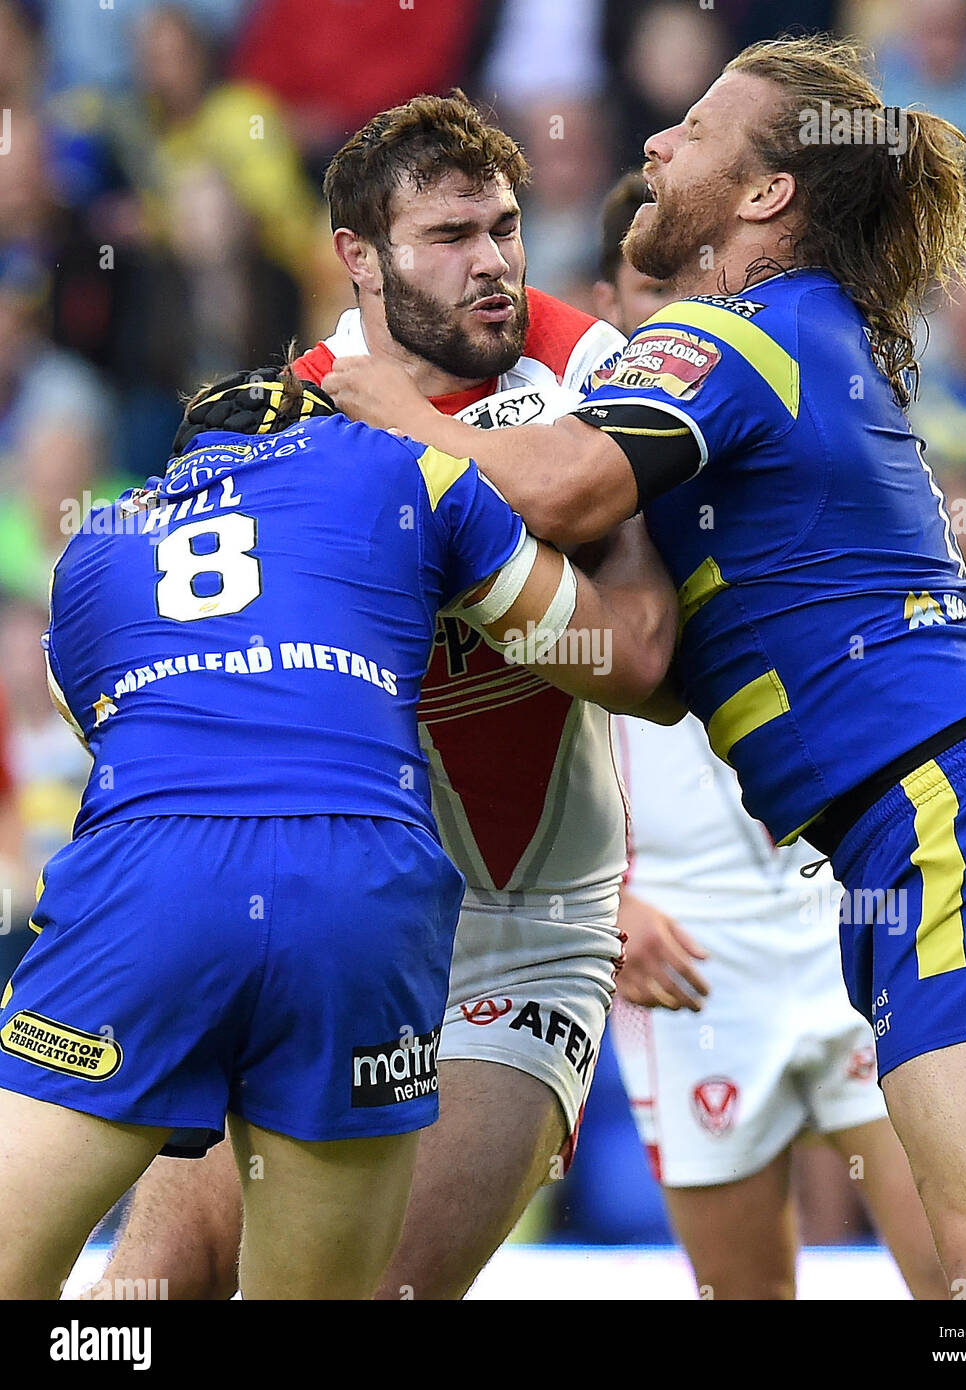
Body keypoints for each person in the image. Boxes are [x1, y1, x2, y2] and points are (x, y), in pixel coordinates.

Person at [326, 35, 966, 1298]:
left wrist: (391, 408)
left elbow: (570, 483)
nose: (653, 142)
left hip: (948, 819)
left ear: (762, 197)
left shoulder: (737, 335)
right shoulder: (797, 330)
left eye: (690, 131)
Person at [95, 93, 648, 1302]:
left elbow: (647, 660)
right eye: (451, 236)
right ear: (358, 257)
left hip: (528, 923)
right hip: (325, 908)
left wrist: (455, 505)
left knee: (377, 1286)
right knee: (158, 1276)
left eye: (505, 226)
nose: (493, 261)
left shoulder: (588, 371)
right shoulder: (281, 413)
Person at [0, 365, 676, 1300]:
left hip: (155, 872)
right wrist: (639, 528)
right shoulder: (404, 466)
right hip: (362, 877)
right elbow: (624, 662)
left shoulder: (93, 545)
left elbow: (99, 724)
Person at [596, 174, 944, 1299]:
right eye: (647, 288)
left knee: (963, 1278)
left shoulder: (801, 424)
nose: (671, 314)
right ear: (606, 304)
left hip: (840, 896)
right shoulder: (563, 485)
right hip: (686, 934)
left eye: (688, 282)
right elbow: (507, 715)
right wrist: (597, 903)